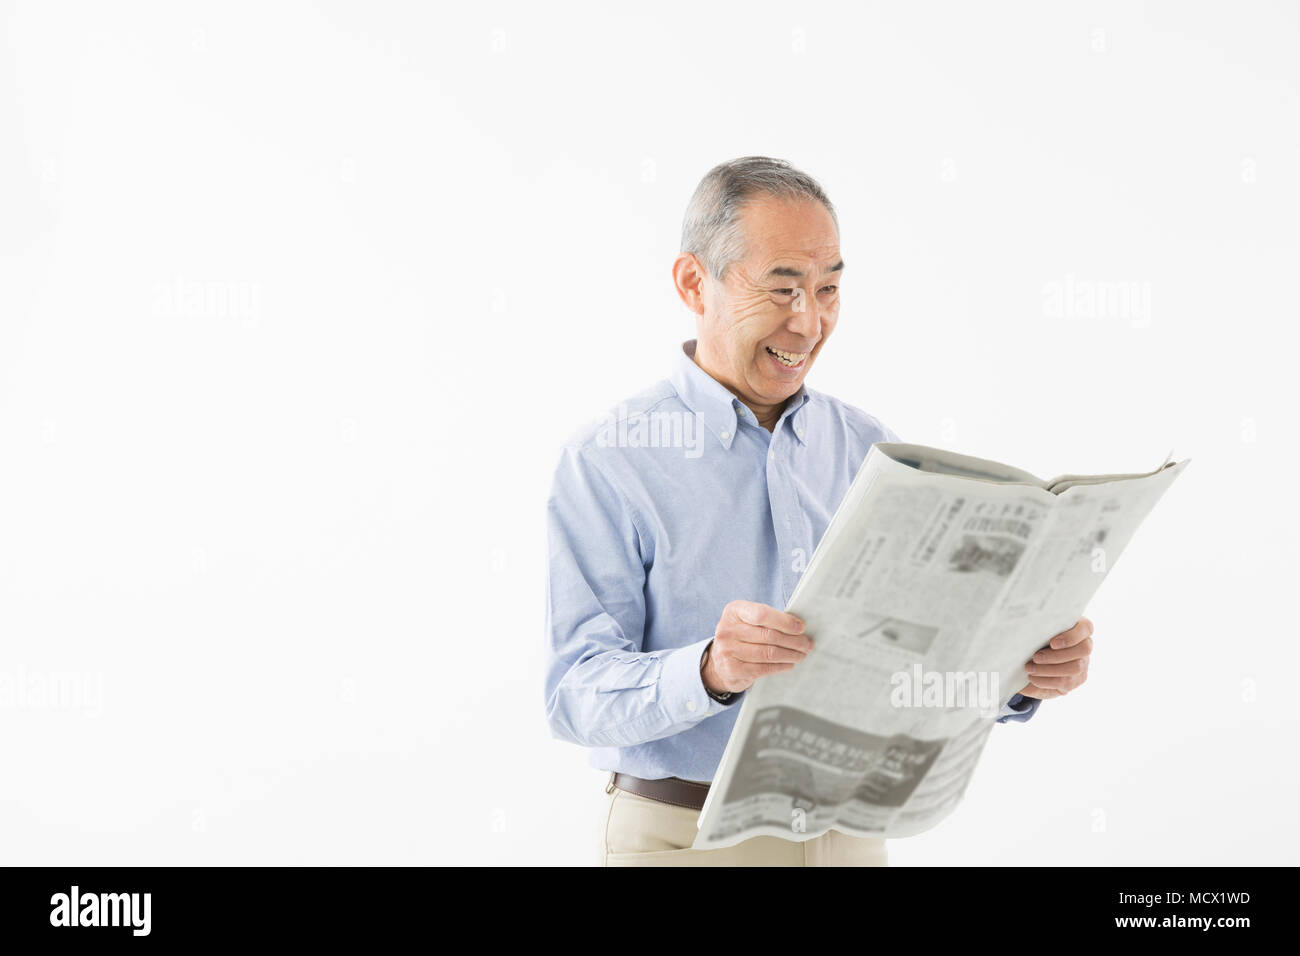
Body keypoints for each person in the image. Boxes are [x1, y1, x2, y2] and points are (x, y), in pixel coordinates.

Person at [544, 157, 1095, 866]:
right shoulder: (608, 459)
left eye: (828, 288)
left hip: (851, 834)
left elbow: (912, 661)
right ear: (693, 283)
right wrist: (709, 670)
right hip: (688, 838)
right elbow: (574, 695)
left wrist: (1019, 671)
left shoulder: (874, 451)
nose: (808, 321)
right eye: (782, 288)